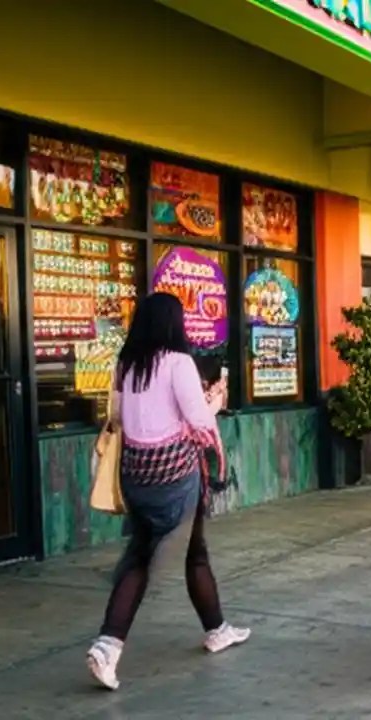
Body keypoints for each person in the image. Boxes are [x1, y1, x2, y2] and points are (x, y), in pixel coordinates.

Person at [87, 293, 248, 691]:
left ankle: (215, 629)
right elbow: (198, 419)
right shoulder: (179, 363)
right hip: (176, 481)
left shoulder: (127, 365)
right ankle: (109, 646)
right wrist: (216, 401)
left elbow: (117, 418)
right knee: (173, 557)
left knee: (163, 554)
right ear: (174, 325)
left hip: (136, 480)